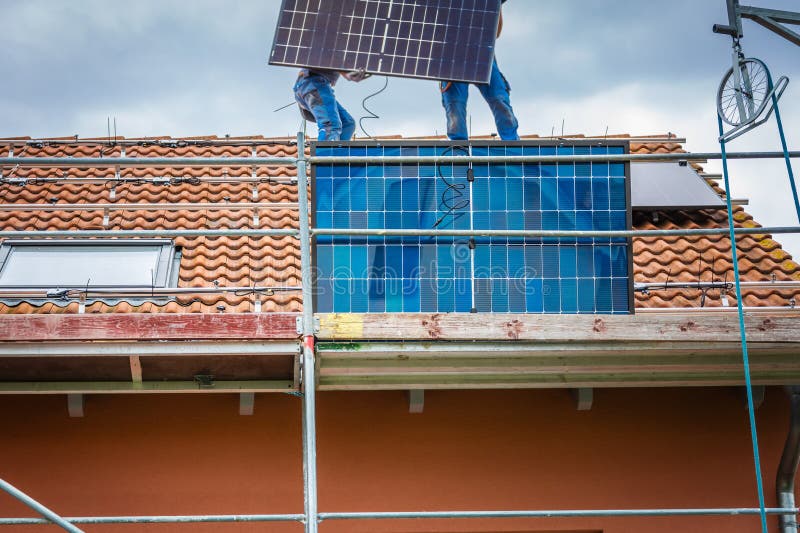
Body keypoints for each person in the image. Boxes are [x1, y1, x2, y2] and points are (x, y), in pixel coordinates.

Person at [439, 0, 519, 141]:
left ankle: (511, 143)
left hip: (481, 51)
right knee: (455, 104)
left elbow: (495, 33)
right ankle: (459, 148)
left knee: (499, 98)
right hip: (453, 53)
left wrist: (496, 6)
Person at [294, 68, 368, 141]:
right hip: (313, 82)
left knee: (347, 124)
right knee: (330, 126)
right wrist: (347, 73)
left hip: (311, 85)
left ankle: (337, 151)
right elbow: (335, 58)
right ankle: (326, 152)